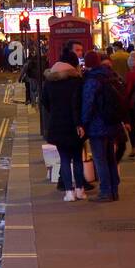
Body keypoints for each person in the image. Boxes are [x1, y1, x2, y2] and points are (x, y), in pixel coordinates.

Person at [42, 50, 88, 202]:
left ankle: (69, 192)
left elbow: (45, 102)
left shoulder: (50, 81)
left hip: (58, 124)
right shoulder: (76, 81)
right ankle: (80, 189)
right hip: (75, 124)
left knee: (64, 159)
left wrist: (55, 112)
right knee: (77, 158)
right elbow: (80, 103)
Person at [80, 51, 123, 203]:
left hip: (97, 125)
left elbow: (88, 104)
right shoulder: (110, 75)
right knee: (110, 158)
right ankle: (114, 190)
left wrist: (83, 123)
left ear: (87, 63)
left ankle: (105, 191)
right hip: (112, 123)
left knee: (100, 159)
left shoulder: (92, 80)